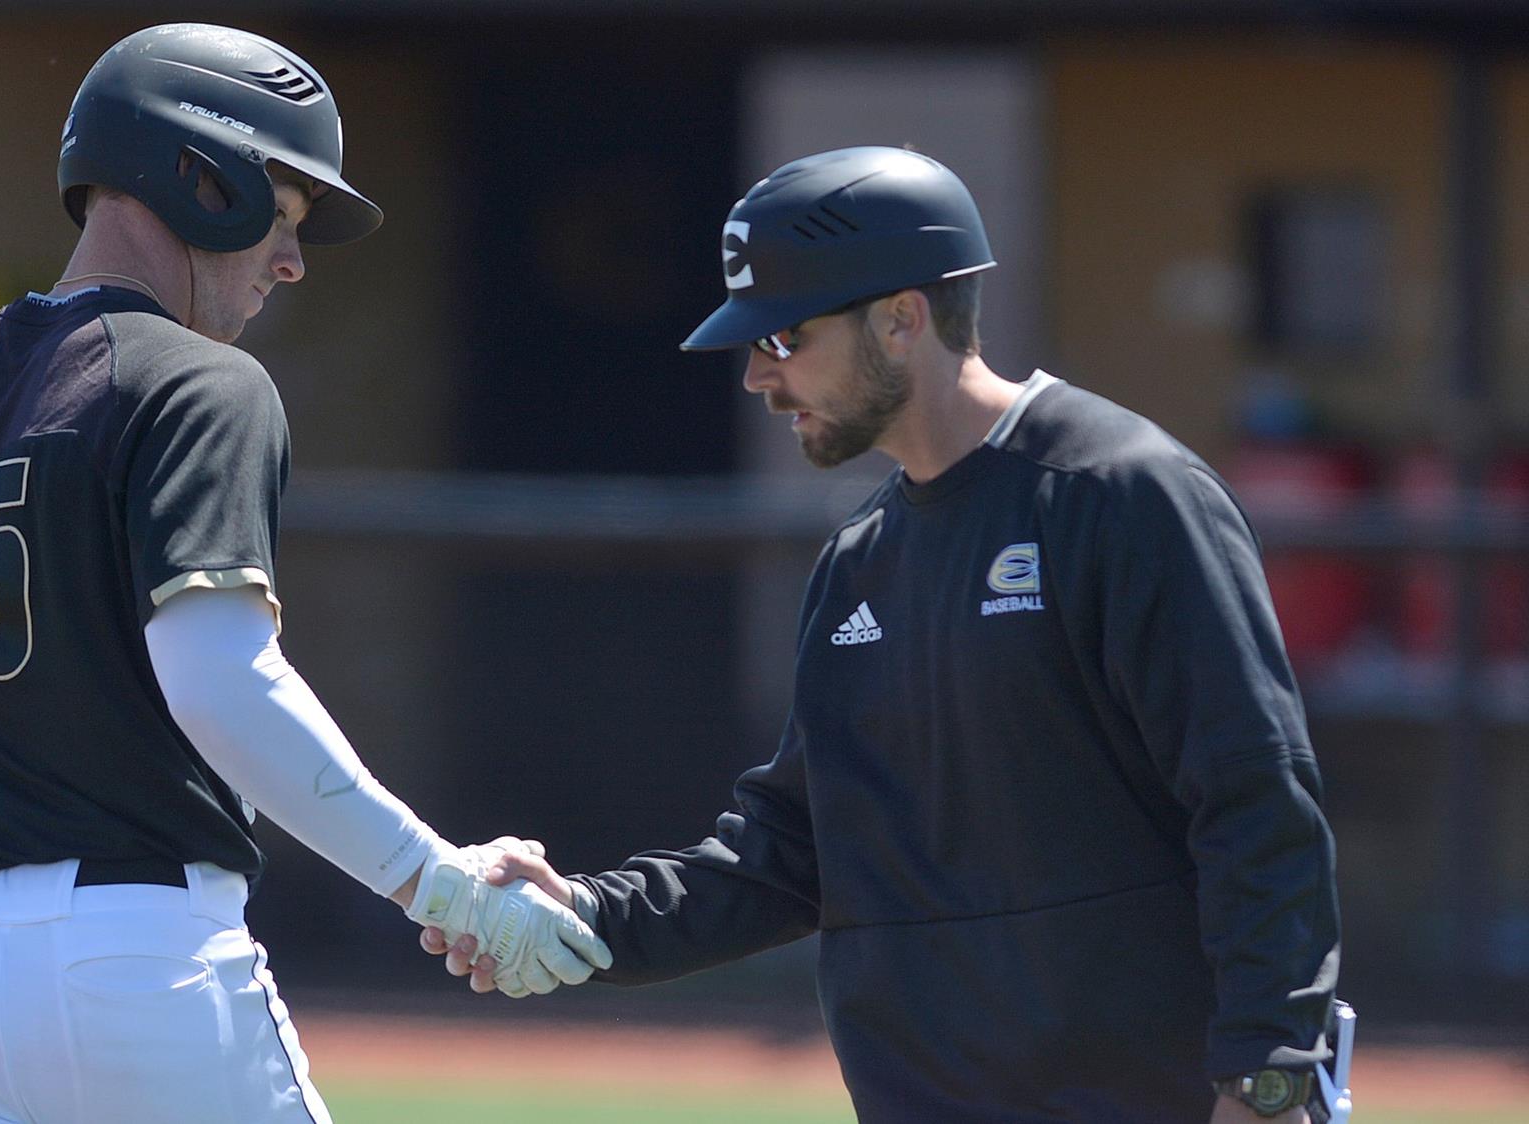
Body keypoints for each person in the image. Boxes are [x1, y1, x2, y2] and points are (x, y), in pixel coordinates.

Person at [0, 24, 607, 1124]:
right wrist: (437, 878)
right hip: (143, 960)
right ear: (198, 173)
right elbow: (218, 675)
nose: (290, 259)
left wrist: (14, 781)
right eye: (285, 210)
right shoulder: (203, 384)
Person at [424, 147, 1341, 1124]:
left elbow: (1254, 800)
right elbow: (789, 846)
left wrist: (1269, 1068)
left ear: (900, 318)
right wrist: (586, 911)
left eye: (783, 337)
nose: (756, 377)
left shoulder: (1117, 492)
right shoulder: (859, 555)